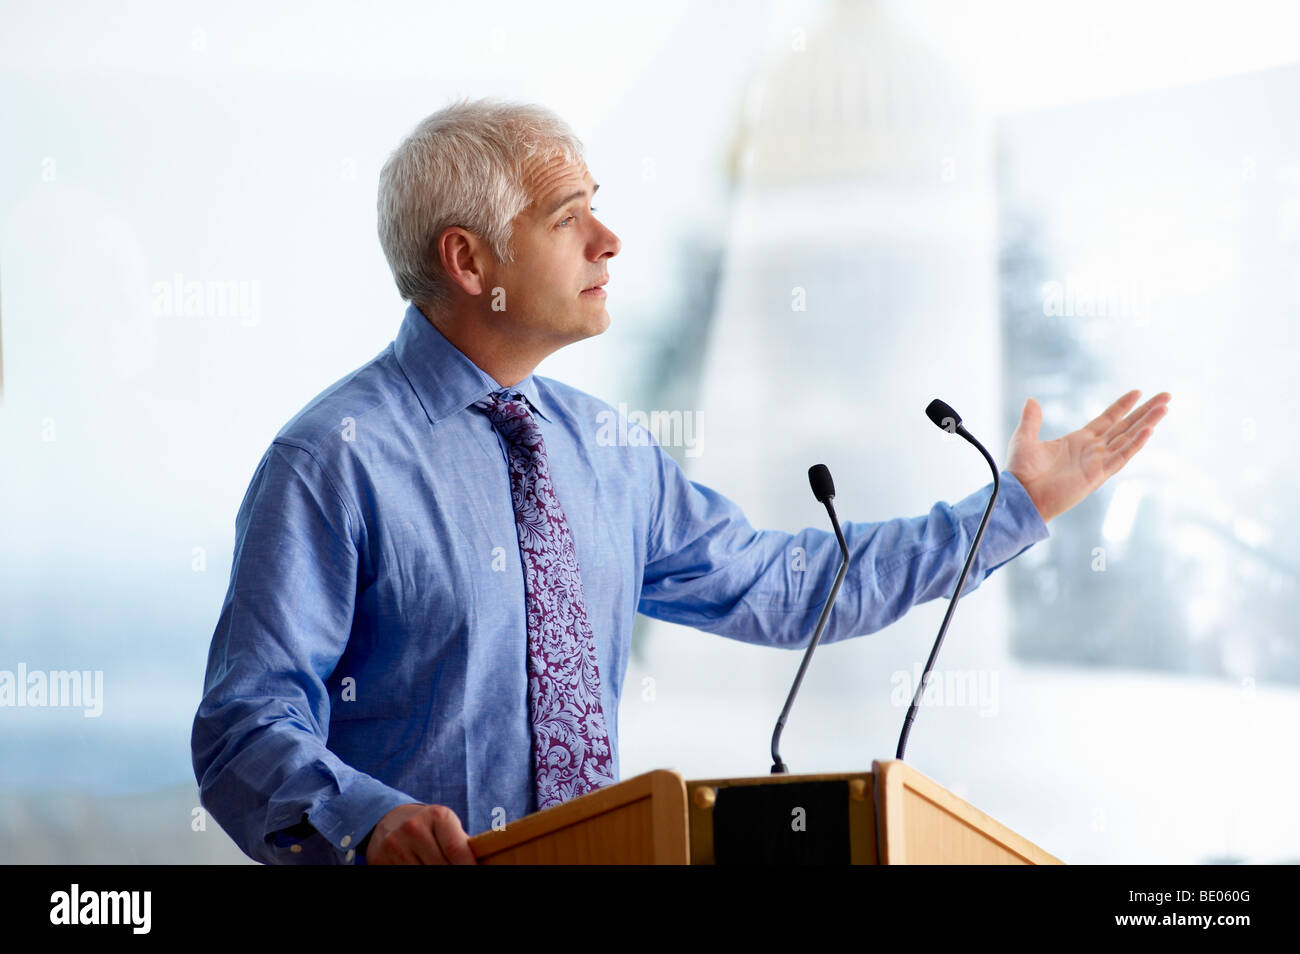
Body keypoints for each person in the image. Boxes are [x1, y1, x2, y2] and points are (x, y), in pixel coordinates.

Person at [191, 96, 1171, 866]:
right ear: (468, 259)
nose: (608, 242)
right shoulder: (332, 460)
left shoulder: (605, 453)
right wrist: (368, 823)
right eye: (569, 219)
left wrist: (1014, 508)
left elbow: (794, 587)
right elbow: (243, 732)